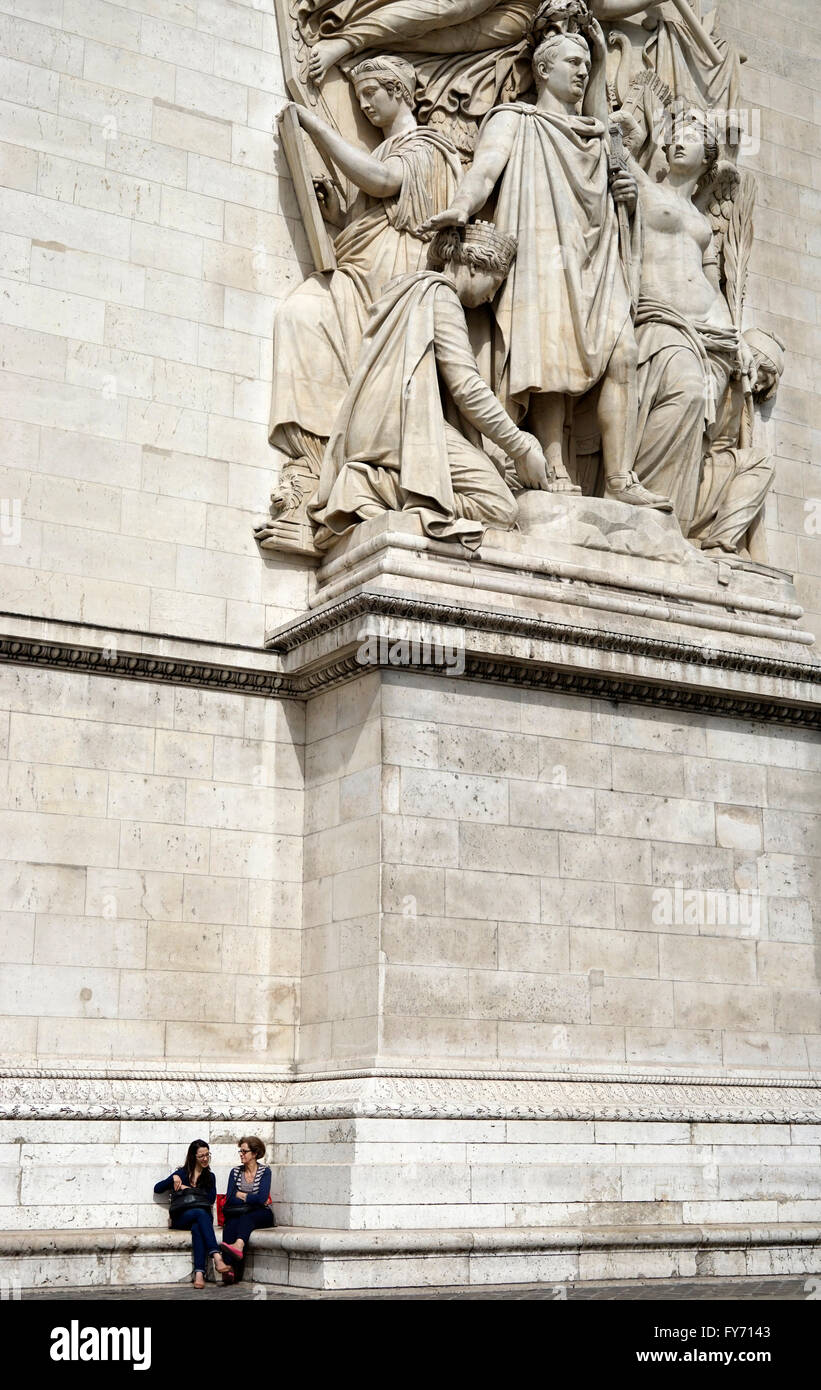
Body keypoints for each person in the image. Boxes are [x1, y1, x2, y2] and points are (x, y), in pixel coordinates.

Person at [423, 21, 671, 509]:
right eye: (572, 63)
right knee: (549, 357)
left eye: (586, 64)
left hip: (598, 257)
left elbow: (627, 190)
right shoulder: (514, 118)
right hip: (542, 254)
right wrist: (462, 205)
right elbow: (486, 167)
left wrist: (626, 198)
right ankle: (553, 464)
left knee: (623, 353)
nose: (583, 71)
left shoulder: (603, 135)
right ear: (542, 69)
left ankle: (620, 476)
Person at [263, 55, 460, 529]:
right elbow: (371, 210)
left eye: (372, 92)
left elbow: (387, 183)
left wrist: (317, 129)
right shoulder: (387, 149)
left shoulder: (427, 145)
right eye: (358, 97)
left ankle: (351, 475)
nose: (365, 104)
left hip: (393, 279)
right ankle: (314, 467)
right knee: (299, 315)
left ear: (399, 90)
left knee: (333, 341)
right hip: (362, 269)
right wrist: (337, 215)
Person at [310, 222, 543, 551]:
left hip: (377, 427)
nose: (493, 296)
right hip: (403, 429)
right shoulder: (442, 296)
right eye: (495, 285)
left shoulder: (411, 287)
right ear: (475, 266)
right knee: (500, 508)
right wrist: (521, 447)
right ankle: (367, 487)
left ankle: (376, 483)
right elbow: (467, 389)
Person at [628, 108, 749, 536]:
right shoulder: (641, 185)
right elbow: (603, 132)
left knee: (701, 414)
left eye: (691, 137)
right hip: (660, 318)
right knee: (685, 392)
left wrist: (735, 338)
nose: (679, 141)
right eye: (674, 135)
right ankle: (641, 503)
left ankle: (669, 520)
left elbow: (712, 284)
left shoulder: (701, 218)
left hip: (708, 332)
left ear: (707, 158)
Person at [153, 1139, 233, 1290]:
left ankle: (199, 1274)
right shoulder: (181, 1173)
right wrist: (173, 1179)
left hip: (200, 1218)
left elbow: (210, 1199)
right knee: (199, 1213)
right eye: (201, 1156)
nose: (205, 1159)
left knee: (198, 1227)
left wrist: (187, 1188)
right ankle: (216, 1256)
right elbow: (157, 1188)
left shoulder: (210, 1177)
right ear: (192, 1157)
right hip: (182, 1217)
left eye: (207, 1155)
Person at [219, 1136, 275, 1282]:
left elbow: (262, 1198)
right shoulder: (235, 1172)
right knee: (231, 1224)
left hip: (262, 1213)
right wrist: (251, 1198)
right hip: (241, 1212)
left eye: (244, 1151)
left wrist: (242, 1194)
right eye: (240, 1151)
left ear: (255, 1153)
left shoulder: (265, 1171)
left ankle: (239, 1245)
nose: (241, 1154)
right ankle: (229, 1269)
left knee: (247, 1217)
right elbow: (230, 1197)